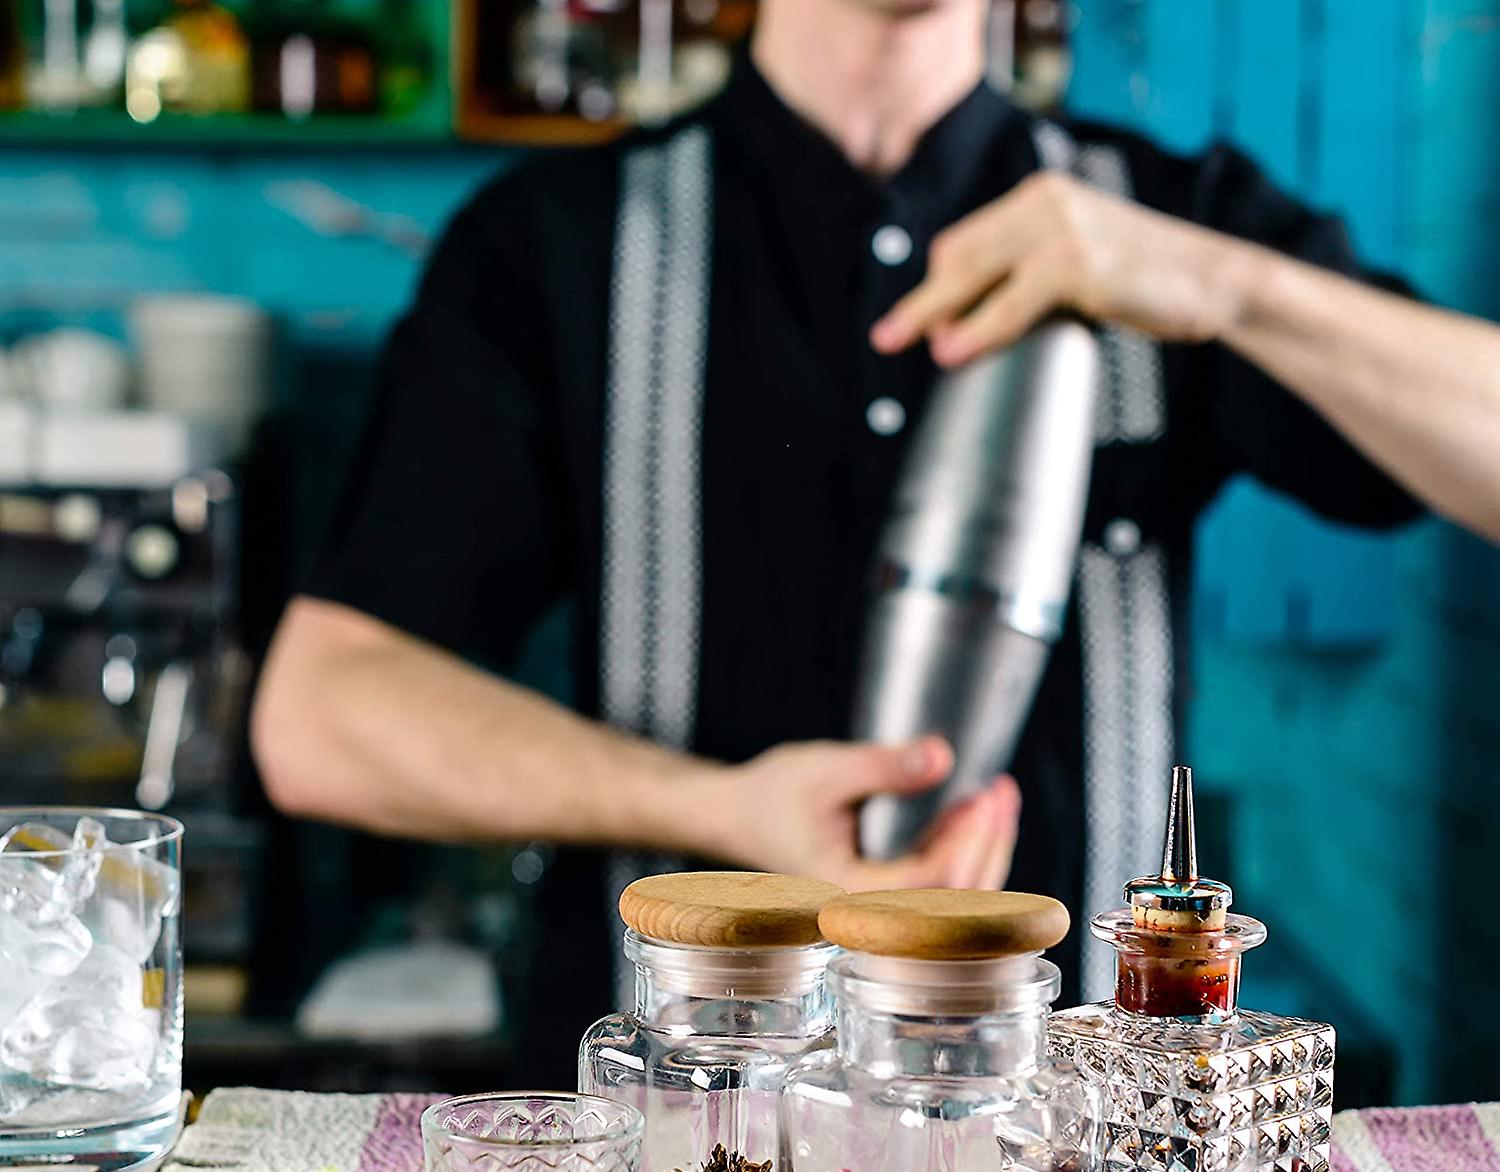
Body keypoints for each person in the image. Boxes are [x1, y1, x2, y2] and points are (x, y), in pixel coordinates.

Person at [251, 0, 1500, 1085]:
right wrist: (725, 817)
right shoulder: (552, 246)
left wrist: (1227, 287)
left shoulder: (1169, 226)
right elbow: (318, 718)